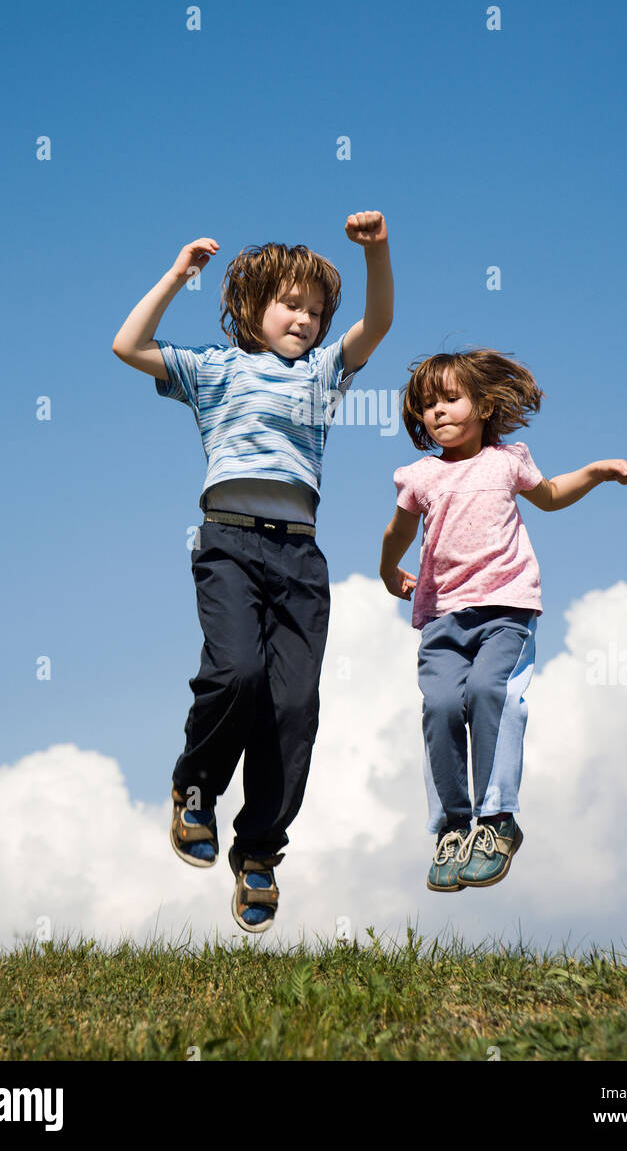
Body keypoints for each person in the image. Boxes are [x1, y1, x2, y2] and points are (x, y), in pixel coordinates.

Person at [112, 214, 393, 932]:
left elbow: (379, 323)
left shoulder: (326, 375)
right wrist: (178, 275)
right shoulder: (214, 369)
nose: (303, 319)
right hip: (229, 544)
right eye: (290, 304)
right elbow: (128, 344)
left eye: (315, 311)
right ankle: (195, 789)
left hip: (300, 556)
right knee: (236, 674)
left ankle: (260, 852)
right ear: (252, 307)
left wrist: (377, 253)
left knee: (293, 708)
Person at [379, 348, 627, 893]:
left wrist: (593, 472)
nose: (438, 412)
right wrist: (386, 570)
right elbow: (397, 534)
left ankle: (497, 824)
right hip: (443, 617)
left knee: (491, 693)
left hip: (507, 611)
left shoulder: (507, 461)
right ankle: (453, 827)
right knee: (443, 705)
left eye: (450, 399)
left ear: (485, 403)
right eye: (427, 405)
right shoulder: (420, 477)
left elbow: (552, 495)